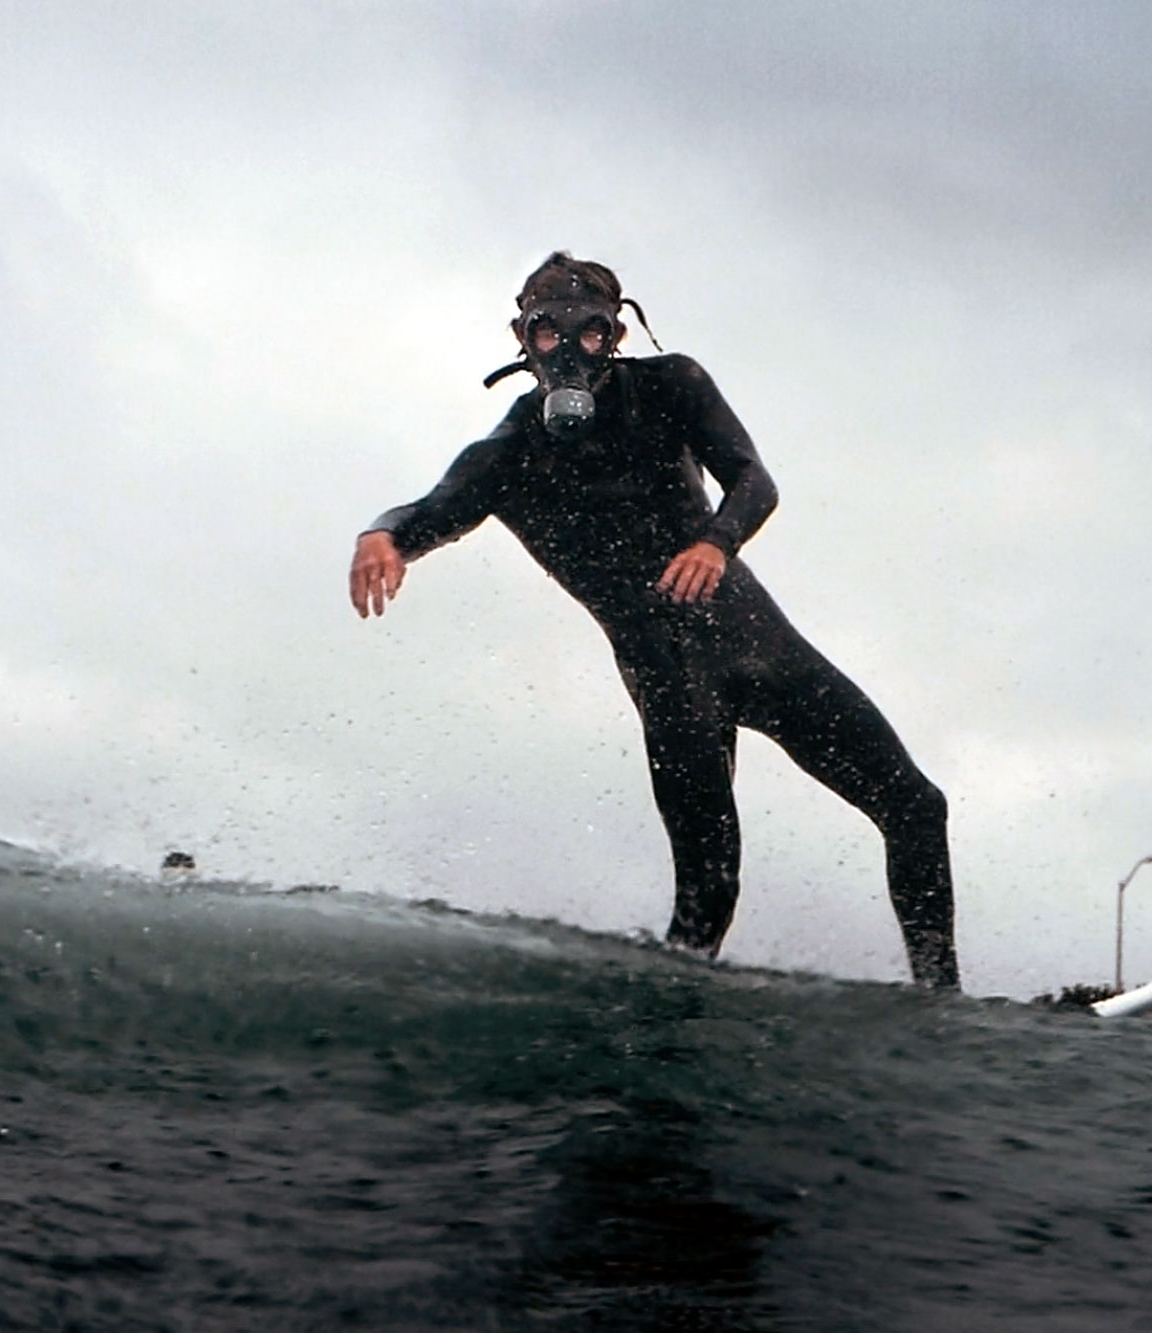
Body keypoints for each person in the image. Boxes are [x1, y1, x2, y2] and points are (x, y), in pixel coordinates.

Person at [349, 253, 958, 987]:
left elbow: (753, 479)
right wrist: (381, 533)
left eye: (592, 333)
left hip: (759, 647)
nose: (570, 351)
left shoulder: (673, 387)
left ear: (619, 333)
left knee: (916, 805)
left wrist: (715, 540)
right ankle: (664, 1042)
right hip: (671, 688)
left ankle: (940, 1002)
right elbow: (429, 512)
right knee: (710, 890)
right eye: (547, 334)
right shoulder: (510, 455)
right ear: (521, 337)